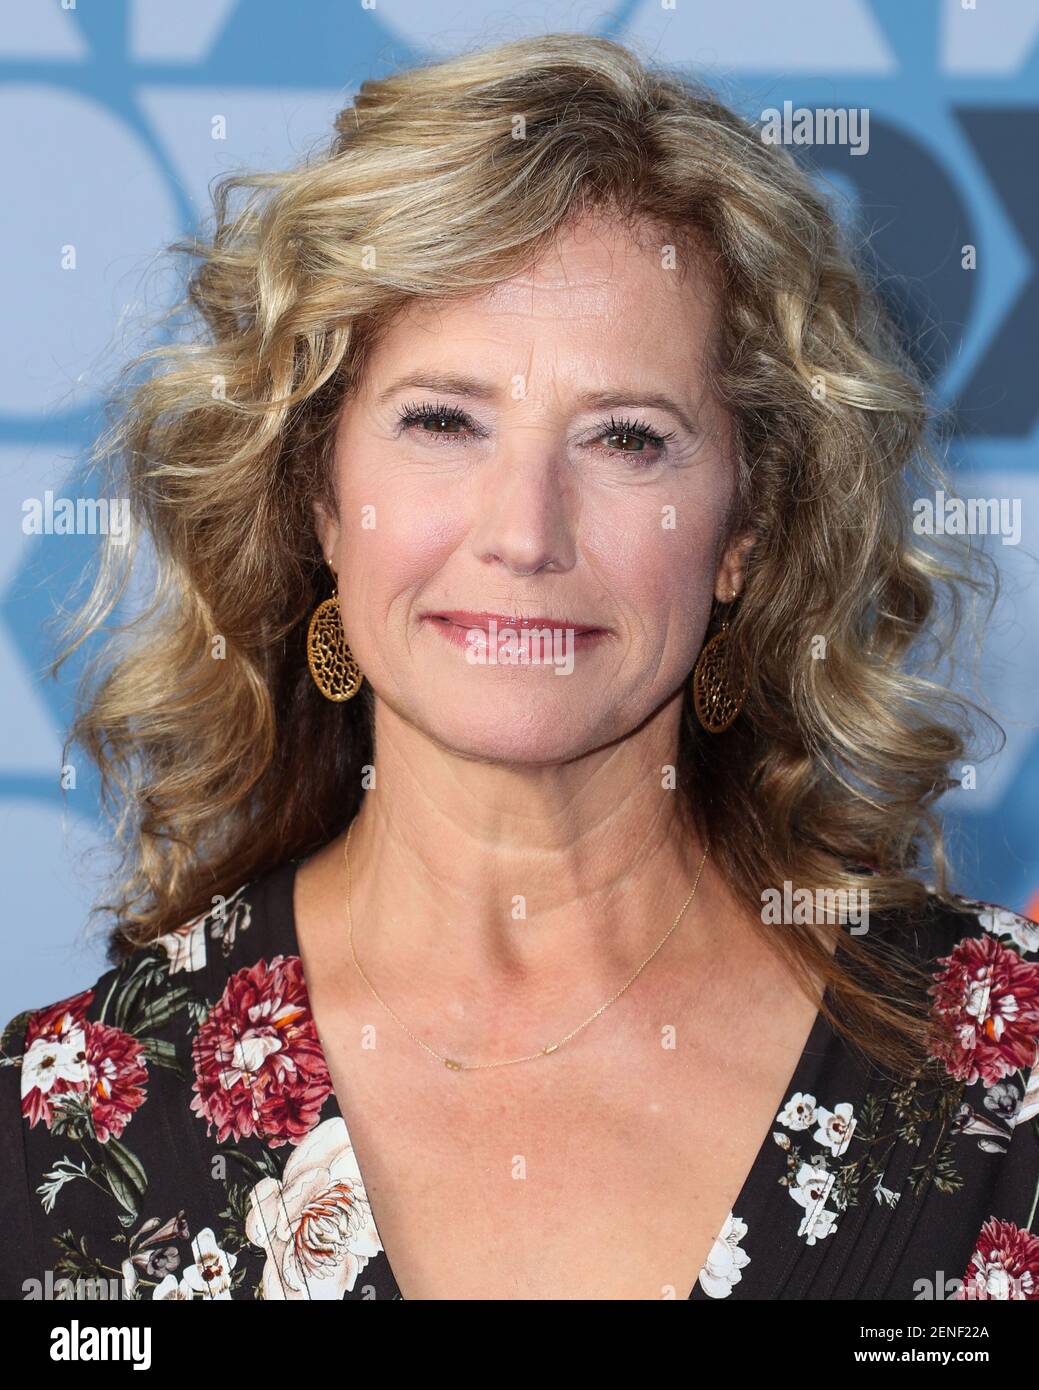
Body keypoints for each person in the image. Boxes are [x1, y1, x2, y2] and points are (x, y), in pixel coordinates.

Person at [1, 33, 1036, 1302]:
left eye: (627, 439)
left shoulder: (1005, 1064)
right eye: (443, 421)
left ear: (743, 533)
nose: (523, 533)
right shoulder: (61, 1123)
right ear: (321, 494)